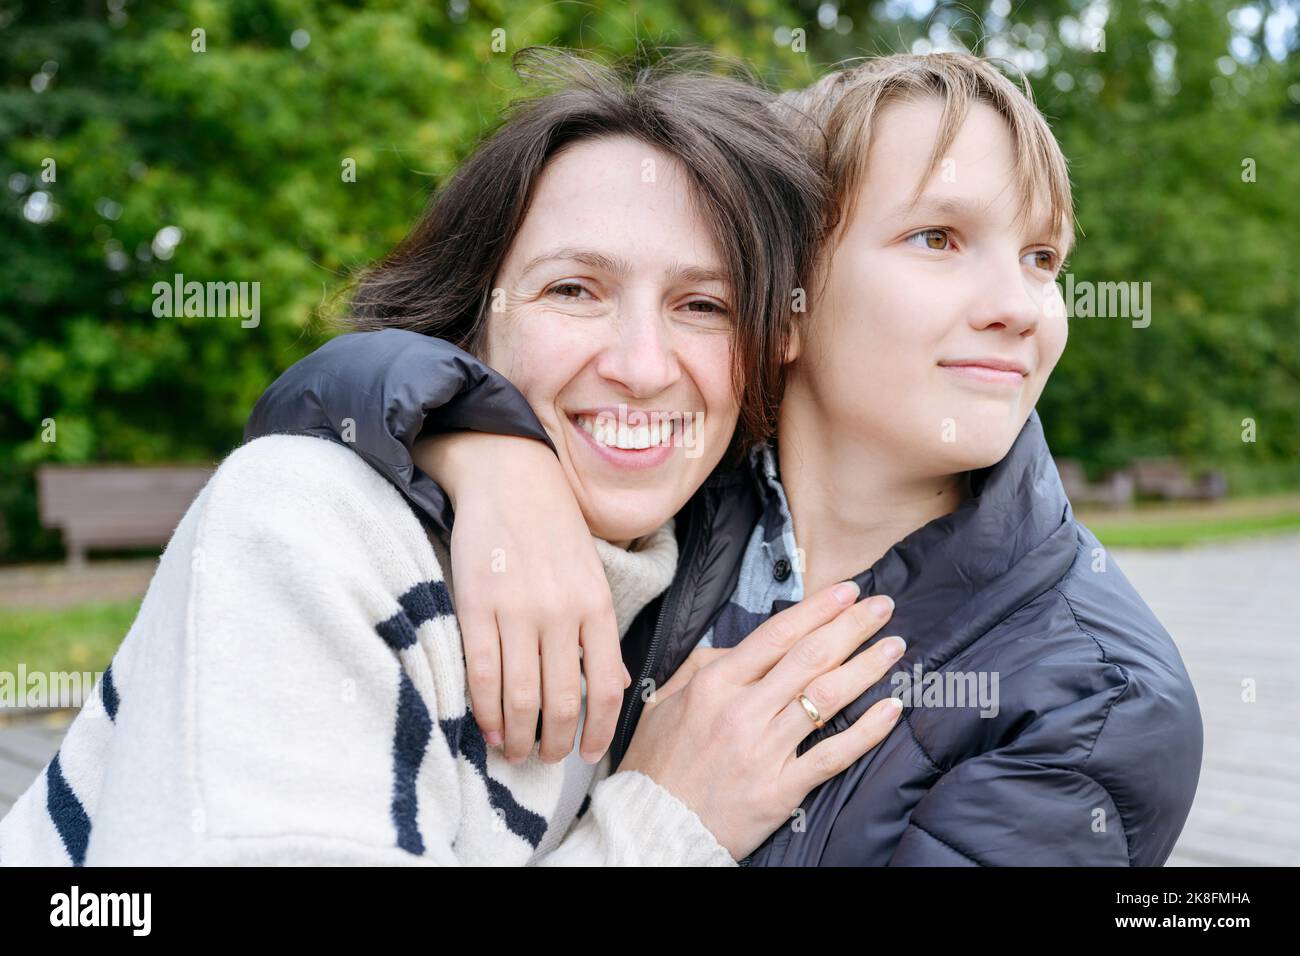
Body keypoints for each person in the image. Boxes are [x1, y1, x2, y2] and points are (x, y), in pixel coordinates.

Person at [247, 52, 1204, 866]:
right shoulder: (665, 485)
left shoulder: (1093, 704)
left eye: (1043, 258)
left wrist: (669, 817)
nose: (1019, 304)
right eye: (938, 238)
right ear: (781, 299)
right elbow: (318, 399)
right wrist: (489, 450)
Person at [0, 49, 907, 867]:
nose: (640, 364)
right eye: (573, 289)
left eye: (703, 305)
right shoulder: (302, 522)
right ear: (471, 320)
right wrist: (662, 825)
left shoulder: (699, 573)